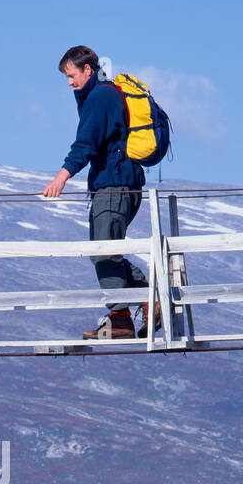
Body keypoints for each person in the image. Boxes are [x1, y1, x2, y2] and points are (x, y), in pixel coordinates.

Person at [41, 45, 159, 340]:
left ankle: (122, 317)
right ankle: (149, 299)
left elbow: (86, 143)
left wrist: (61, 177)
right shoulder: (100, 95)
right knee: (104, 251)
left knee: (103, 251)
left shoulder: (101, 97)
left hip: (114, 184)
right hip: (117, 184)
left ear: (87, 70)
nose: (69, 83)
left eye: (71, 76)